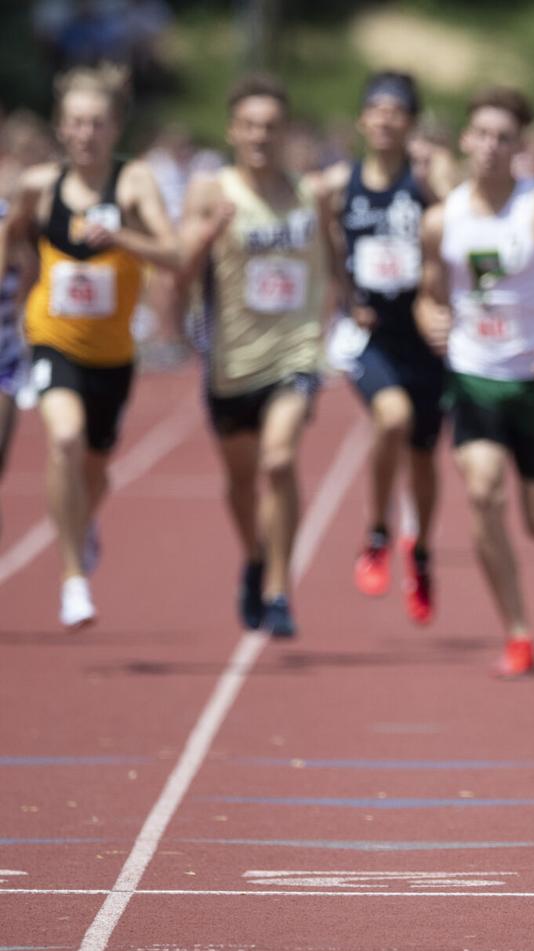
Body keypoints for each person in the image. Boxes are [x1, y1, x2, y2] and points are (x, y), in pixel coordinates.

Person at [0, 64, 178, 627]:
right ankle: (73, 580)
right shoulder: (38, 187)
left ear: (115, 128)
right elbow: (12, 239)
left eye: (97, 123)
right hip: (53, 340)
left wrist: (121, 236)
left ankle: (83, 523)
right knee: (65, 438)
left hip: (113, 356)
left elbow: (173, 255)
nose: (85, 133)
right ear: (60, 126)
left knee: (96, 471)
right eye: (75, 122)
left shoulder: (133, 184)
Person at [417, 87, 534, 676]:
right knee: (482, 491)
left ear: (519, 146)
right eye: (481, 134)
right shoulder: (441, 220)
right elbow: (429, 296)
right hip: (474, 374)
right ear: (465, 141)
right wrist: (428, 318)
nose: (490, 146)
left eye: (503, 137)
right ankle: (517, 629)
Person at [178, 73, 332, 638]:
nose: (261, 136)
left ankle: (278, 587)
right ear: (232, 132)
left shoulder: (310, 194)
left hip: (295, 351)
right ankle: (254, 556)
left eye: (270, 126)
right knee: (241, 482)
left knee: (279, 460)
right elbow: (178, 265)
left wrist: (342, 318)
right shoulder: (211, 192)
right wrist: (205, 235)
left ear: (285, 131)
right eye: (249, 126)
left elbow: (334, 261)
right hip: (231, 360)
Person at [317, 71, 442, 623]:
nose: (386, 120)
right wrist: (346, 297)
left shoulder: (426, 187)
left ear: (410, 124)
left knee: (423, 454)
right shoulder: (336, 188)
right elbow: (328, 246)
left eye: (398, 112)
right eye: (377, 110)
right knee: (390, 420)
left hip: (425, 339)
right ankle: (377, 530)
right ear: (363, 119)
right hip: (372, 337)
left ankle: (422, 548)